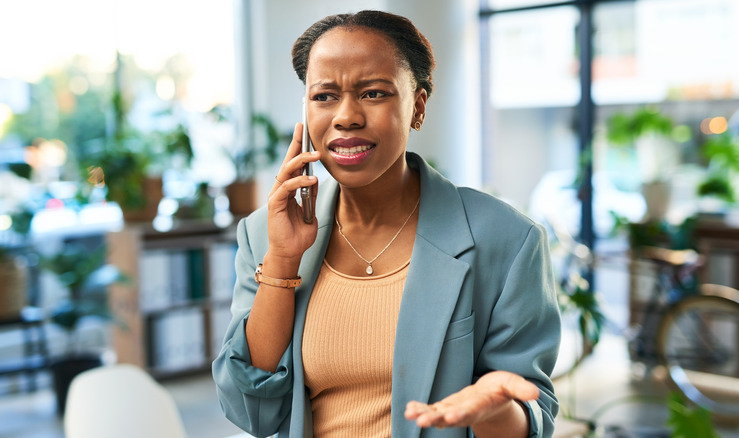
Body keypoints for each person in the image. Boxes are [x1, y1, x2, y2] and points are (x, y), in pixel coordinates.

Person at [212, 10, 560, 438]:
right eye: (324, 96)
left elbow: (531, 419)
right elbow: (251, 412)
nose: (346, 116)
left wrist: (494, 410)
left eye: (373, 93)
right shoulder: (263, 234)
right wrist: (283, 260)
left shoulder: (507, 240)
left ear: (418, 106)